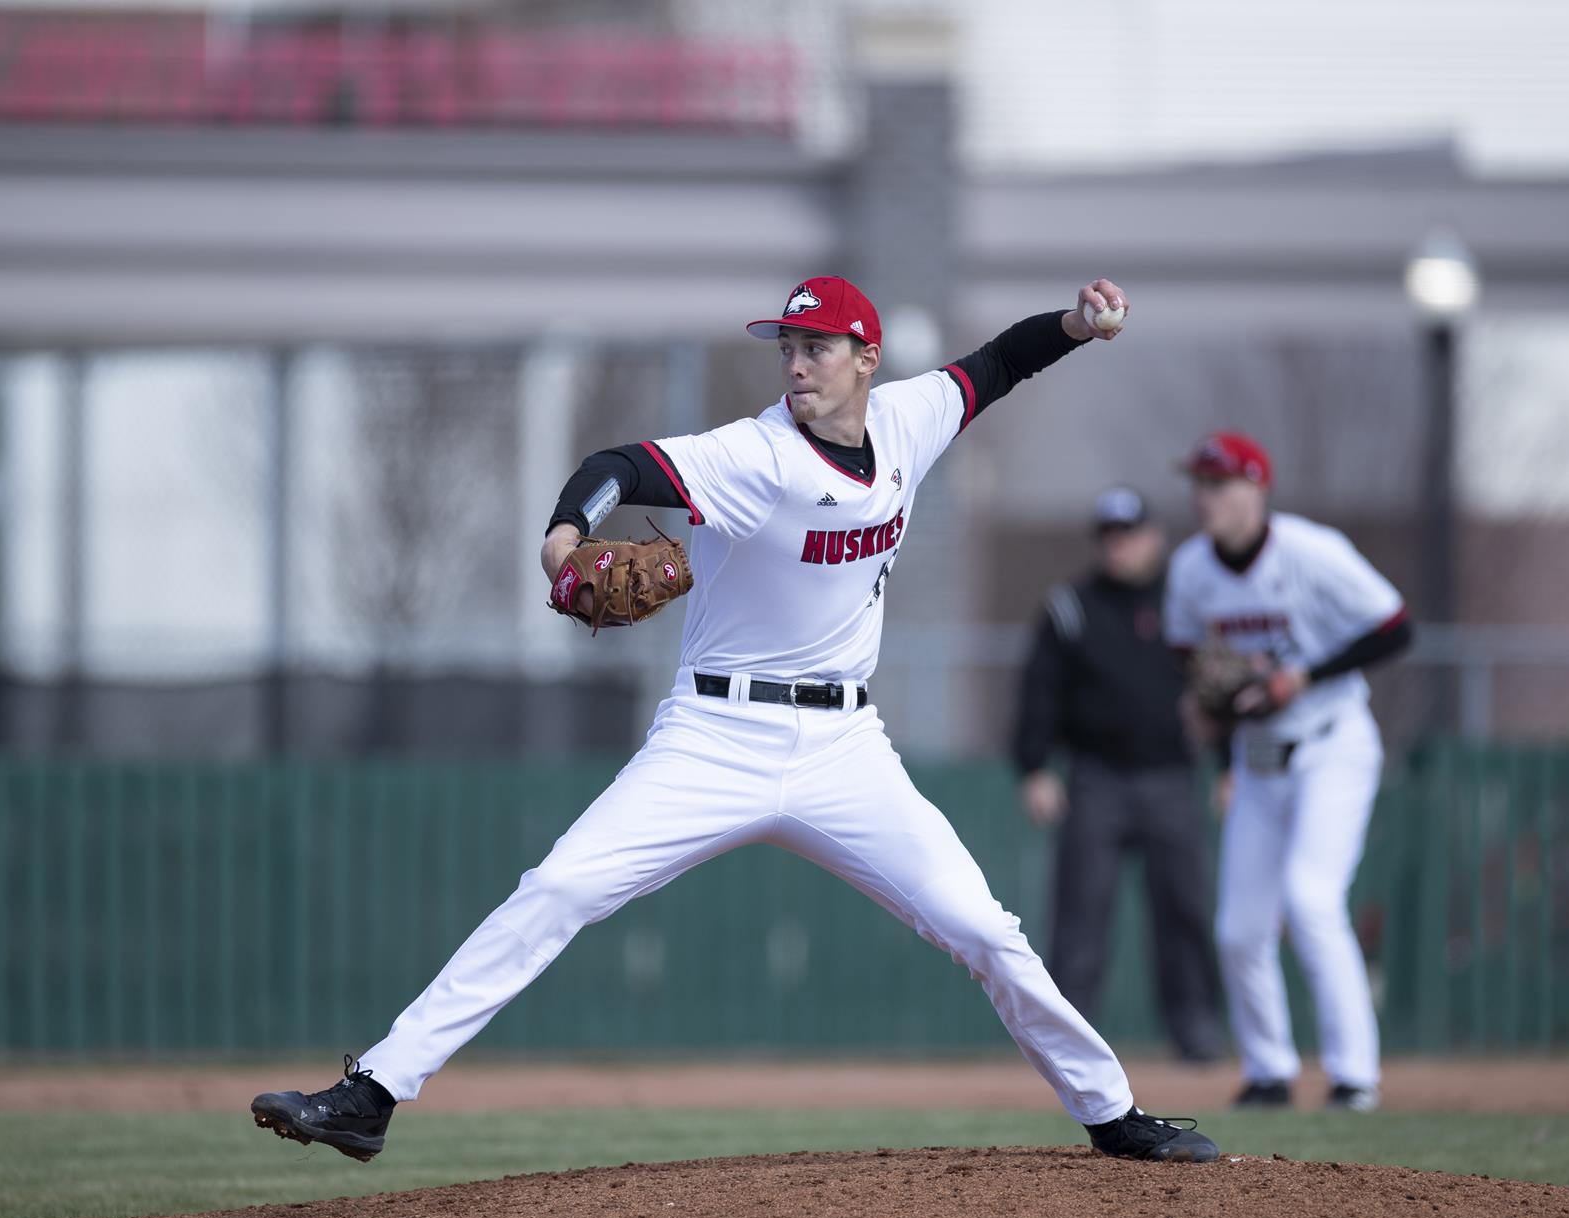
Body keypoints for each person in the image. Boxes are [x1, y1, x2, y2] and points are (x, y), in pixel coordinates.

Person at [251, 275, 1218, 1164]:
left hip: (846, 746)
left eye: (818, 346)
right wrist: (563, 542)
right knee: (558, 889)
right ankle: (374, 1091)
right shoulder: (753, 455)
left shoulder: (911, 418)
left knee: (984, 928)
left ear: (866, 358)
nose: (797, 362)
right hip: (714, 736)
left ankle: (1111, 1113)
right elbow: (617, 463)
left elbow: (1000, 363)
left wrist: (1080, 326)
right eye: (786, 346)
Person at [1162, 431, 1413, 1112]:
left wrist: (1303, 677)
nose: (1205, 497)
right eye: (1199, 484)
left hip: (1333, 744)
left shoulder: (1311, 551)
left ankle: (1354, 1076)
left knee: (1310, 899)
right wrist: (1214, 734)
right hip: (1257, 760)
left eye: (1219, 484)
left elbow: (1396, 627)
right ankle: (1270, 1070)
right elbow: (1193, 665)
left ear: (1256, 488)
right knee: (1240, 927)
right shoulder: (1191, 570)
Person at [1012, 486, 1226, 1064]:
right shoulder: (1072, 606)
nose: (1121, 546)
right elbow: (1039, 692)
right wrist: (1034, 766)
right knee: (1081, 916)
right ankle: (1068, 1043)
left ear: (1154, 536)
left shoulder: (1185, 605)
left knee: (1183, 910)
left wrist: (1228, 764)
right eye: (1110, 536)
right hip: (1096, 779)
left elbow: (1218, 687)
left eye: (1130, 534)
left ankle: (1197, 1033)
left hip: (1171, 778)